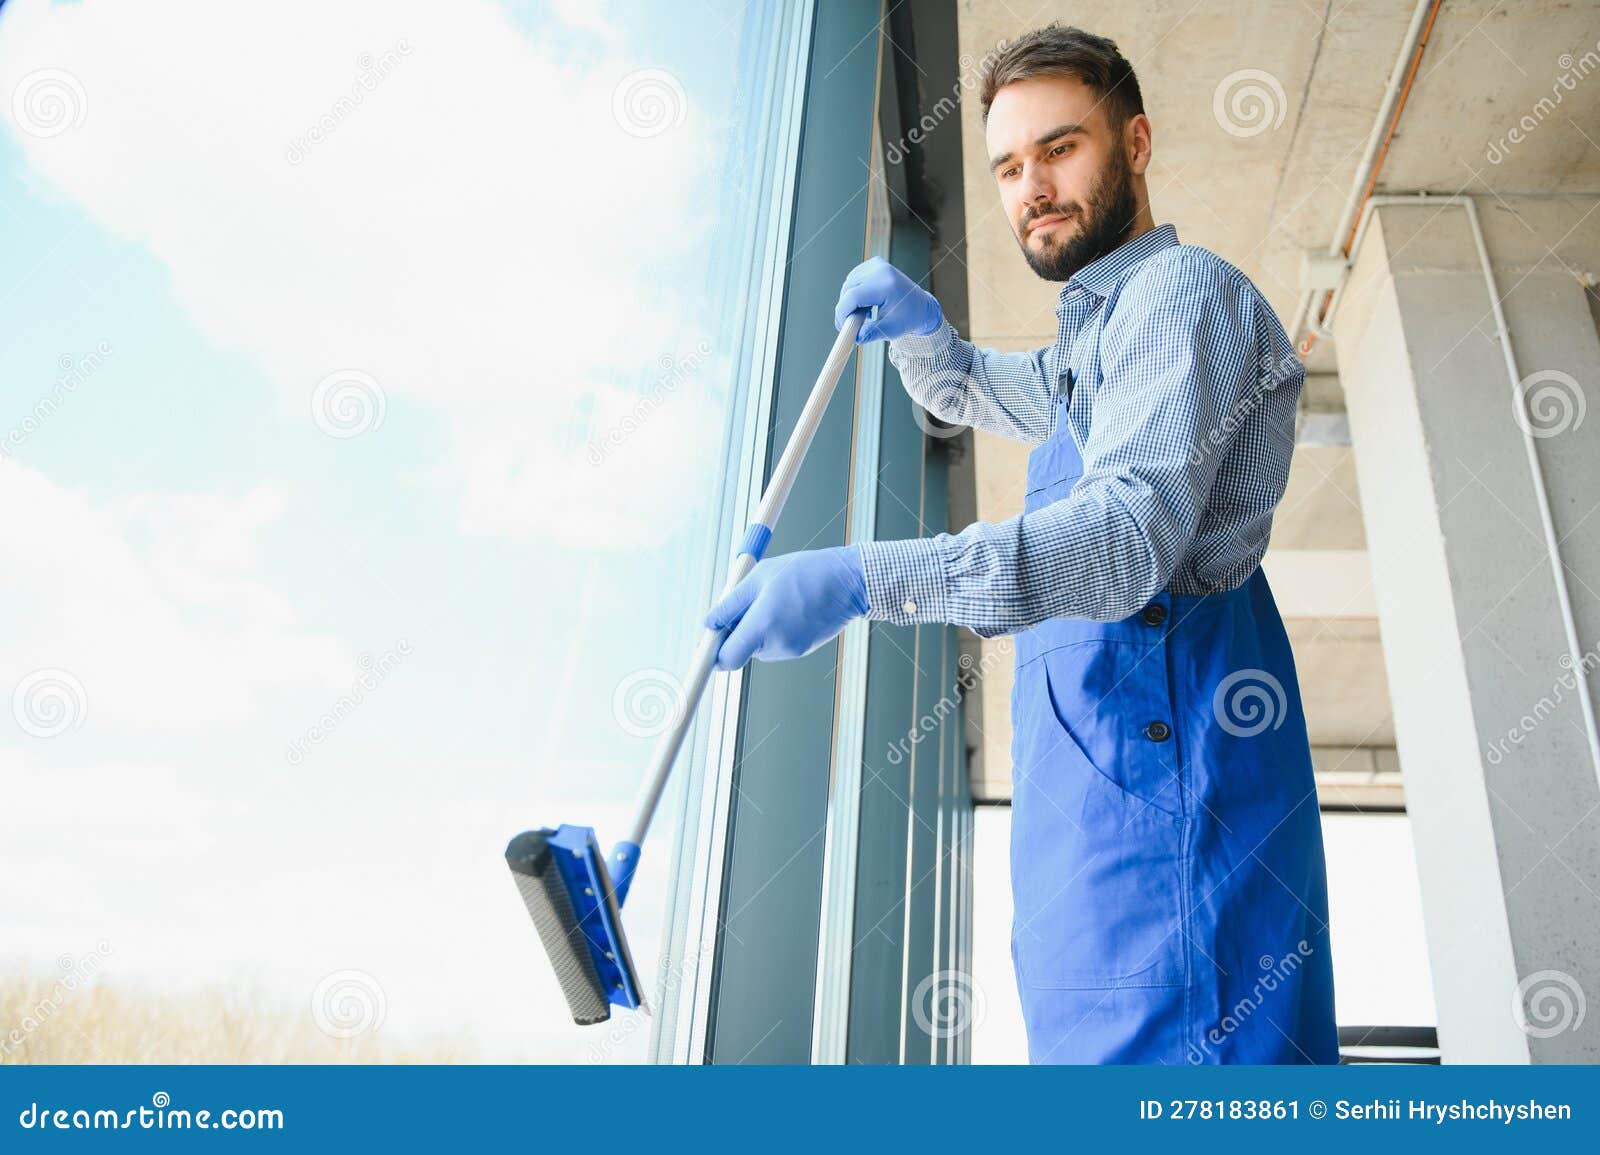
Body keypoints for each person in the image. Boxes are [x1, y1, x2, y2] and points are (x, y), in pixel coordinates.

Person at [704, 23, 1338, 1065]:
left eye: (1059, 149)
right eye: (1006, 165)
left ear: (1134, 144)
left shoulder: (1178, 298)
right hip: (1092, 848)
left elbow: (1123, 541)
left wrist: (865, 579)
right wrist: (921, 335)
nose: (1031, 186)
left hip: (1172, 832)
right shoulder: (1089, 347)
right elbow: (974, 390)